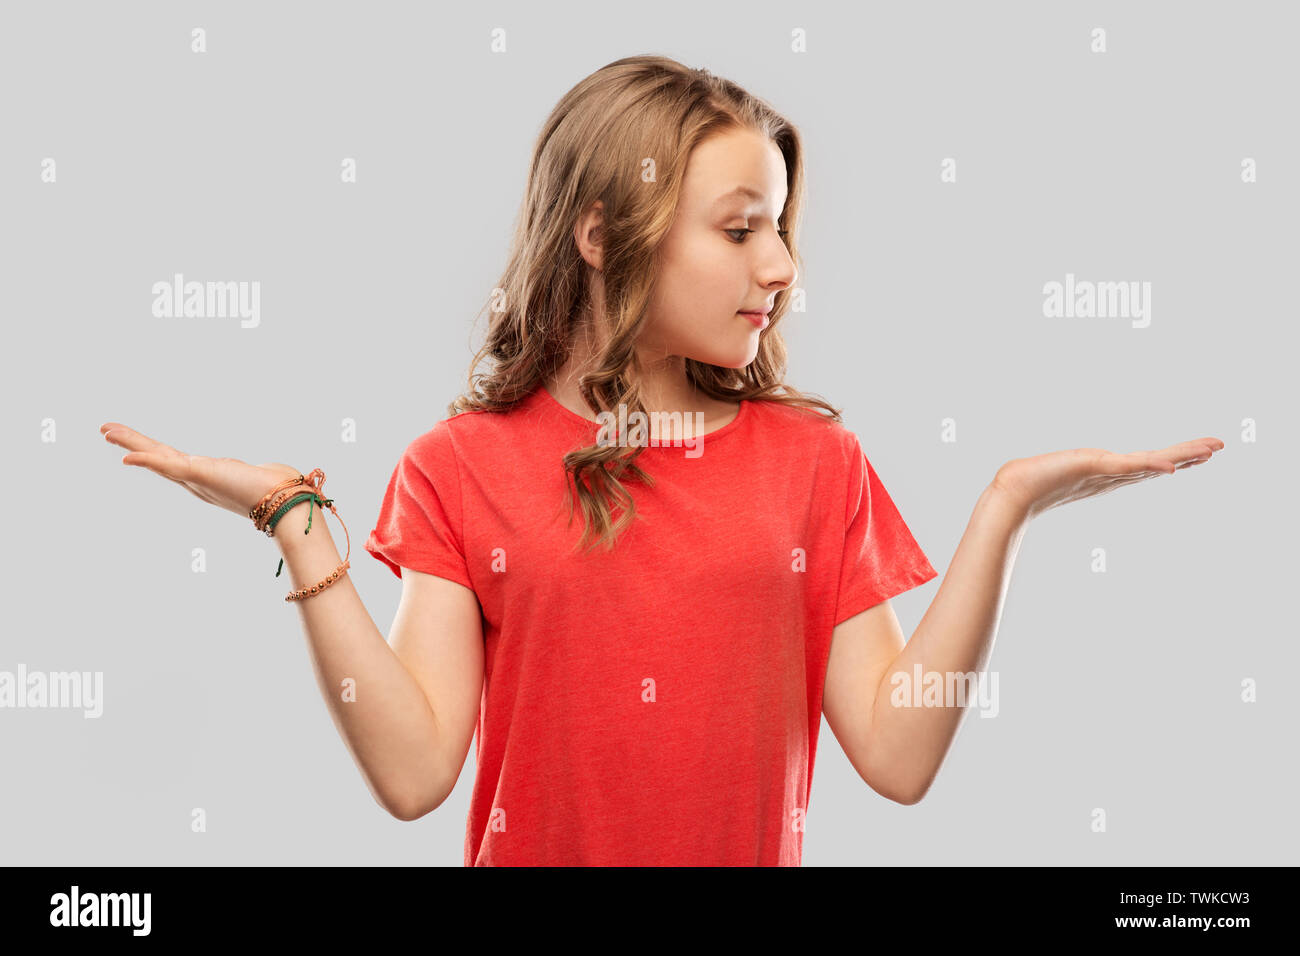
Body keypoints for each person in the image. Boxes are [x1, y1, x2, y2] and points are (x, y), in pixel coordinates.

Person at [99, 55, 1223, 866]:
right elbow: (412, 772)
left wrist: (1004, 510)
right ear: (600, 236)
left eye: (779, 226)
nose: (778, 263)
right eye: (738, 229)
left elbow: (895, 750)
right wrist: (297, 518)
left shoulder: (815, 464)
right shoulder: (458, 465)